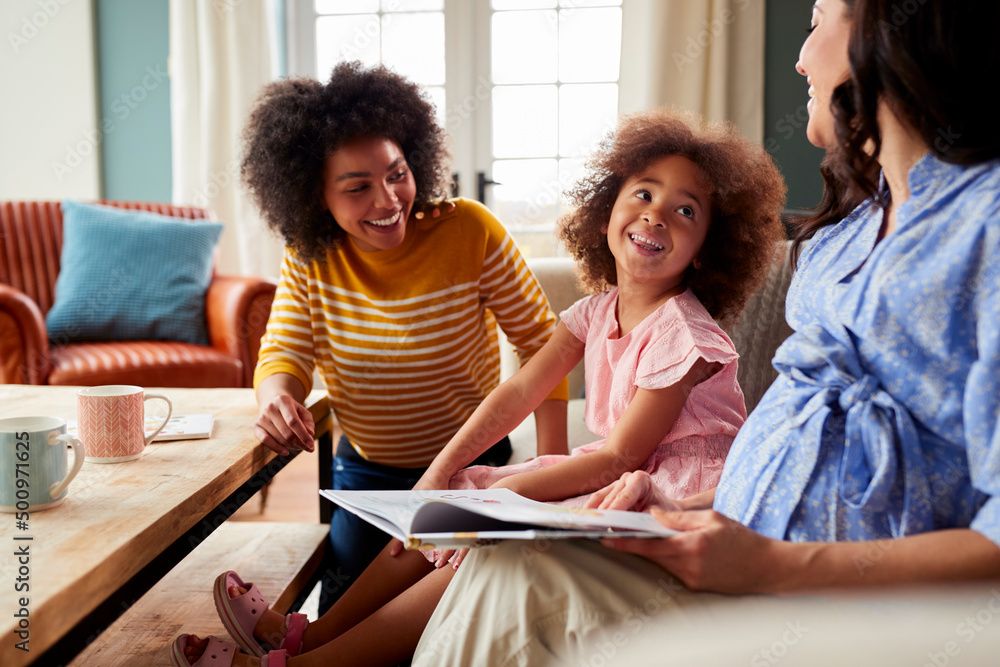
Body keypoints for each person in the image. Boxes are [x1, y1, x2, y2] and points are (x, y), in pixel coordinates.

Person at [412, 1, 1000, 664]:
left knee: (516, 578)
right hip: (736, 551)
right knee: (505, 562)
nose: (801, 58)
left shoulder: (986, 229)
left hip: (823, 600)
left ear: (886, 29)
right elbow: (805, 450)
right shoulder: (846, 242)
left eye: (817, 20)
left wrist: (772, 563)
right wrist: (683, 501)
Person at [170, 108, 787, 666]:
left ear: (708, 249)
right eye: (644, 194)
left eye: (685, 211)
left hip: (669, 487)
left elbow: (622, 457)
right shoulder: (596, 312)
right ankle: (308, 635)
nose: (656, 213)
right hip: (604, 471)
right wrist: (442, 473)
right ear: (605, 216)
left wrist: (503, 497)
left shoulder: (686, 335)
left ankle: (304, 666)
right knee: (439, 506)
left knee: (480, 543)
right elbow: (517, 392)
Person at [240, 61, 570, 614]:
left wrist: (555, 466)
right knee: (344, 611)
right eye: (358, 187)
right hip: (369, 474)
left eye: (396, 173)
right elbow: (286, 352)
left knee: (438, 616)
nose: (388, 199)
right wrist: (277, 396)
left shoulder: (469, 229)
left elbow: (542, 344)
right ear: (315, 195)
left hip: (472, 465)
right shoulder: (310, 257)